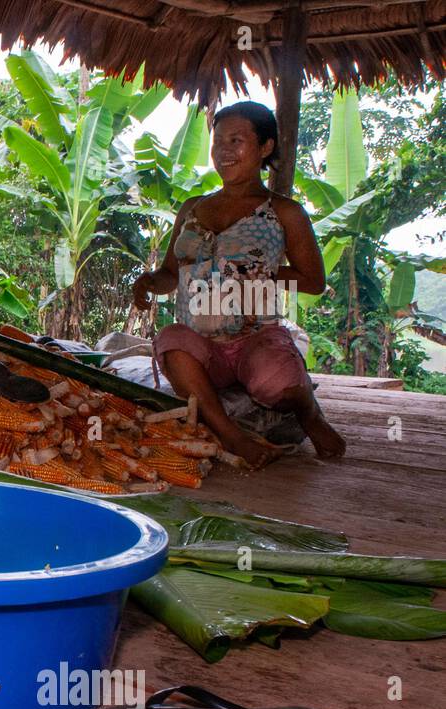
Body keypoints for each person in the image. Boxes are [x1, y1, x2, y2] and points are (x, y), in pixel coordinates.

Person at [132, 101, 345, 467]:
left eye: (237, 140)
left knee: (277, 383)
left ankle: (309, 411)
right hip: (203, 346)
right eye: (218, 142)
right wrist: (148, 282)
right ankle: (231, 436)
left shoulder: (283, 213)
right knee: (172, 341)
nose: (224, 151)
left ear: (265, 147)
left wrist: (258, 272)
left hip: (255, 338)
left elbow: (313, 281)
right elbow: (171, 274)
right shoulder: (193, 208)